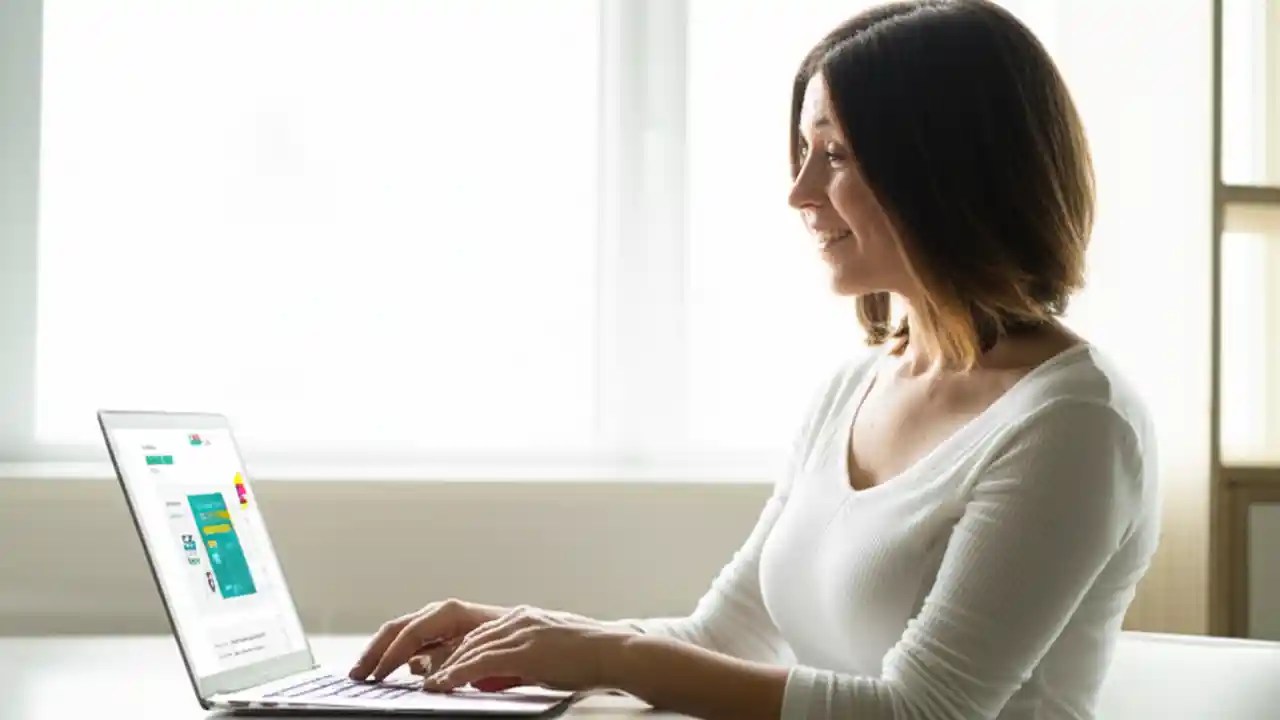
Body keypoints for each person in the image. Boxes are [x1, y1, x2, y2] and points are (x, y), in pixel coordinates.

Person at [348, 1, 1160, 717]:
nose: (799, 192)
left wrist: (604, 655)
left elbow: (926, 712)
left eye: (834, 155)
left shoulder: (1075, 425)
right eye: (804, 153)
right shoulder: (856, 386)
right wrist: (525, 635)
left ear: (946, 169)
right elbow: (724, 637)